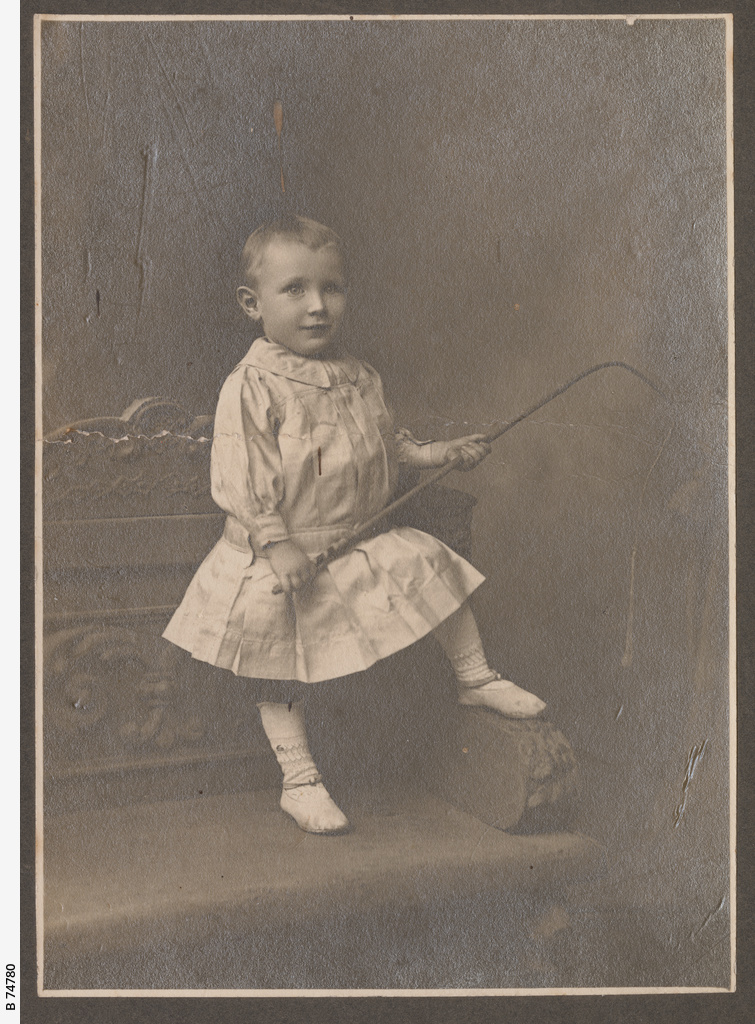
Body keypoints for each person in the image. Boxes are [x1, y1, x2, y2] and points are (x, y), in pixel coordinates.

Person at [163, 215, 545, 835]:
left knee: (428, 562)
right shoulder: (253, 385)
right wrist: (276, 542)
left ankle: (476, 678)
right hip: (280, 551)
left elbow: (379, 446)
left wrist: (435, 453)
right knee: (273, 641)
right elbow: (241, 474)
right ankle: (299, 777)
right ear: (250, 304)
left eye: (331, 288)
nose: (317, 306)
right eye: (294, 290)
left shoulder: (360, 377)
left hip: (353, 539)